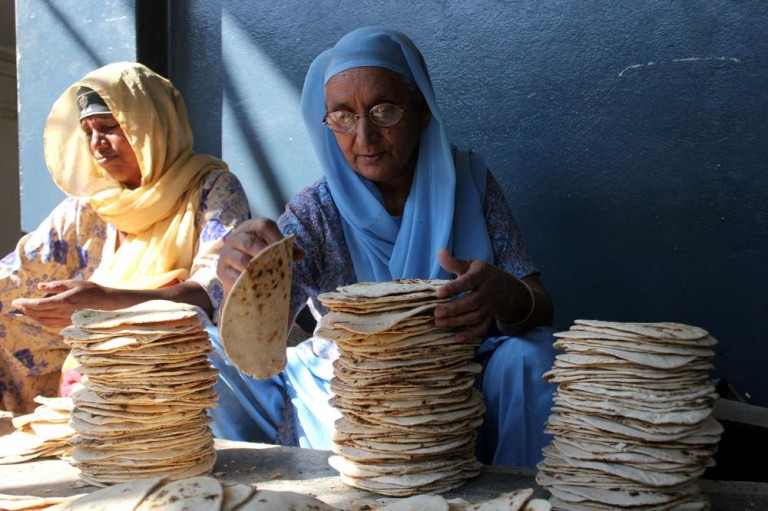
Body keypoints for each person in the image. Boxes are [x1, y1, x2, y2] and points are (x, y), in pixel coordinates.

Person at [213, 26, 557, 468]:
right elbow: (259, 337)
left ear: (422, 110)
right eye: (342, 116)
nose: (363, 137)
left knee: (531, 354)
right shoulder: (316, 210)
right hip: (353, 391)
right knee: (206, 351)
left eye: (384, 110)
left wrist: (508, 296)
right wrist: (242, 278)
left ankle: (515, 488)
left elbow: (541, 306)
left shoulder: (470, 185)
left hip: (456, 381)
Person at [0, 62, 250, 413]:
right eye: (87, 132)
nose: (97, 144)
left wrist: (106, 300)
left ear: (149, 125)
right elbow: (21, 271)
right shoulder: (89, 208)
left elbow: (216, 290)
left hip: (175, 368)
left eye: (108, 128)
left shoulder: (210, 190)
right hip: (93, 368)